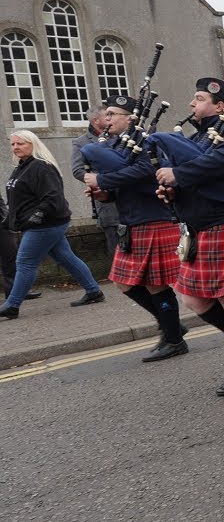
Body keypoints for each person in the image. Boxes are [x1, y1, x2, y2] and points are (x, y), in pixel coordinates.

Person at [155, 78, 224, 395]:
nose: (192, 103)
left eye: (200, 98)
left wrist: (179, 174)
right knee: (194, 299)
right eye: (193, 98)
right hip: (200, 229)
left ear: (220, 106)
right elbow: (200, 176)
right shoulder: (199, 137)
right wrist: (172, 192)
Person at [83, 95, 188, 361]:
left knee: (156, 285)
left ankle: (173, 338)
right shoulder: (117, 145)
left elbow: (144, 173)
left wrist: (102, 178)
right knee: (123, 283)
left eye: (112, 114)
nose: (107, 120)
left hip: (153, 218)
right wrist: (104, 194)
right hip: (130, 221)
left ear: (130, 117)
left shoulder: (145, 140)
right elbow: (124, 185)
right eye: (106, 115)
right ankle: (171, 325)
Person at [0, 131, 104, 319]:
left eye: (21, 144)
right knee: (66, 258)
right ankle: (94, 291)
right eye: (13, 144)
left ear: (32, 144)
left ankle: (12, 305)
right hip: (37, 224)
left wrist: (35, 217)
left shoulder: (42, 167)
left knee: (24, 263)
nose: (16, 148)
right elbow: (18, 200)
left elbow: (52, 197)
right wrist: (10, 220)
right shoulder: (22, 167)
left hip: (45, 225)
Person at [71, 106, 121, 260]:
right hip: (107, 203)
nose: (109, 118)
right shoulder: (82, 142)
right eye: (106, 115)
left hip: (131, 200)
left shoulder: (119, 136)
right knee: (117, 250)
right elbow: (78, 170)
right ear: (95, 121)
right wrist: (101, 180)